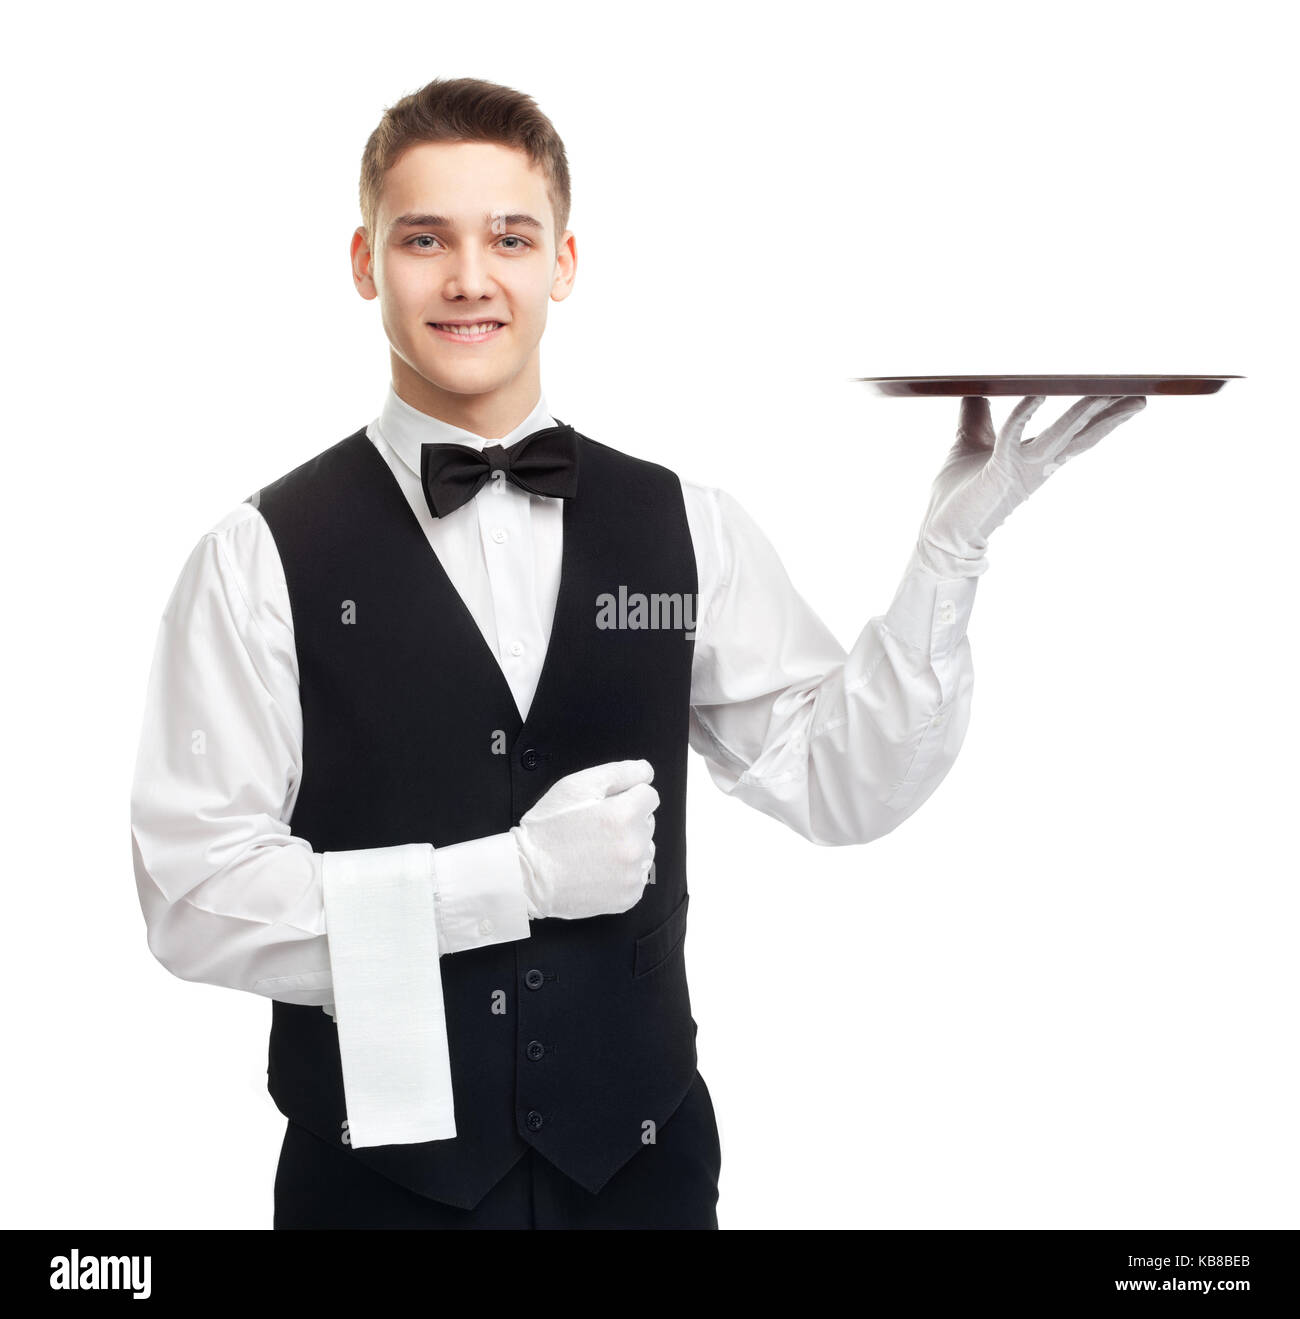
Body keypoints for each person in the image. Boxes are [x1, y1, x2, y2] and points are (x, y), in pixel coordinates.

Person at [129, 75, 1147, 1230]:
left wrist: (947, 553)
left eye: (510, 236)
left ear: (562, 262)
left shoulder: (687, 524)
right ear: (366, 261)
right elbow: (194, 897)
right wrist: (509, 878)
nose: (470, 276)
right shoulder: (255, 556)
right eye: (426, 239)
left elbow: (838, 781)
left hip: (645, 1177)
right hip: (374, 1189)